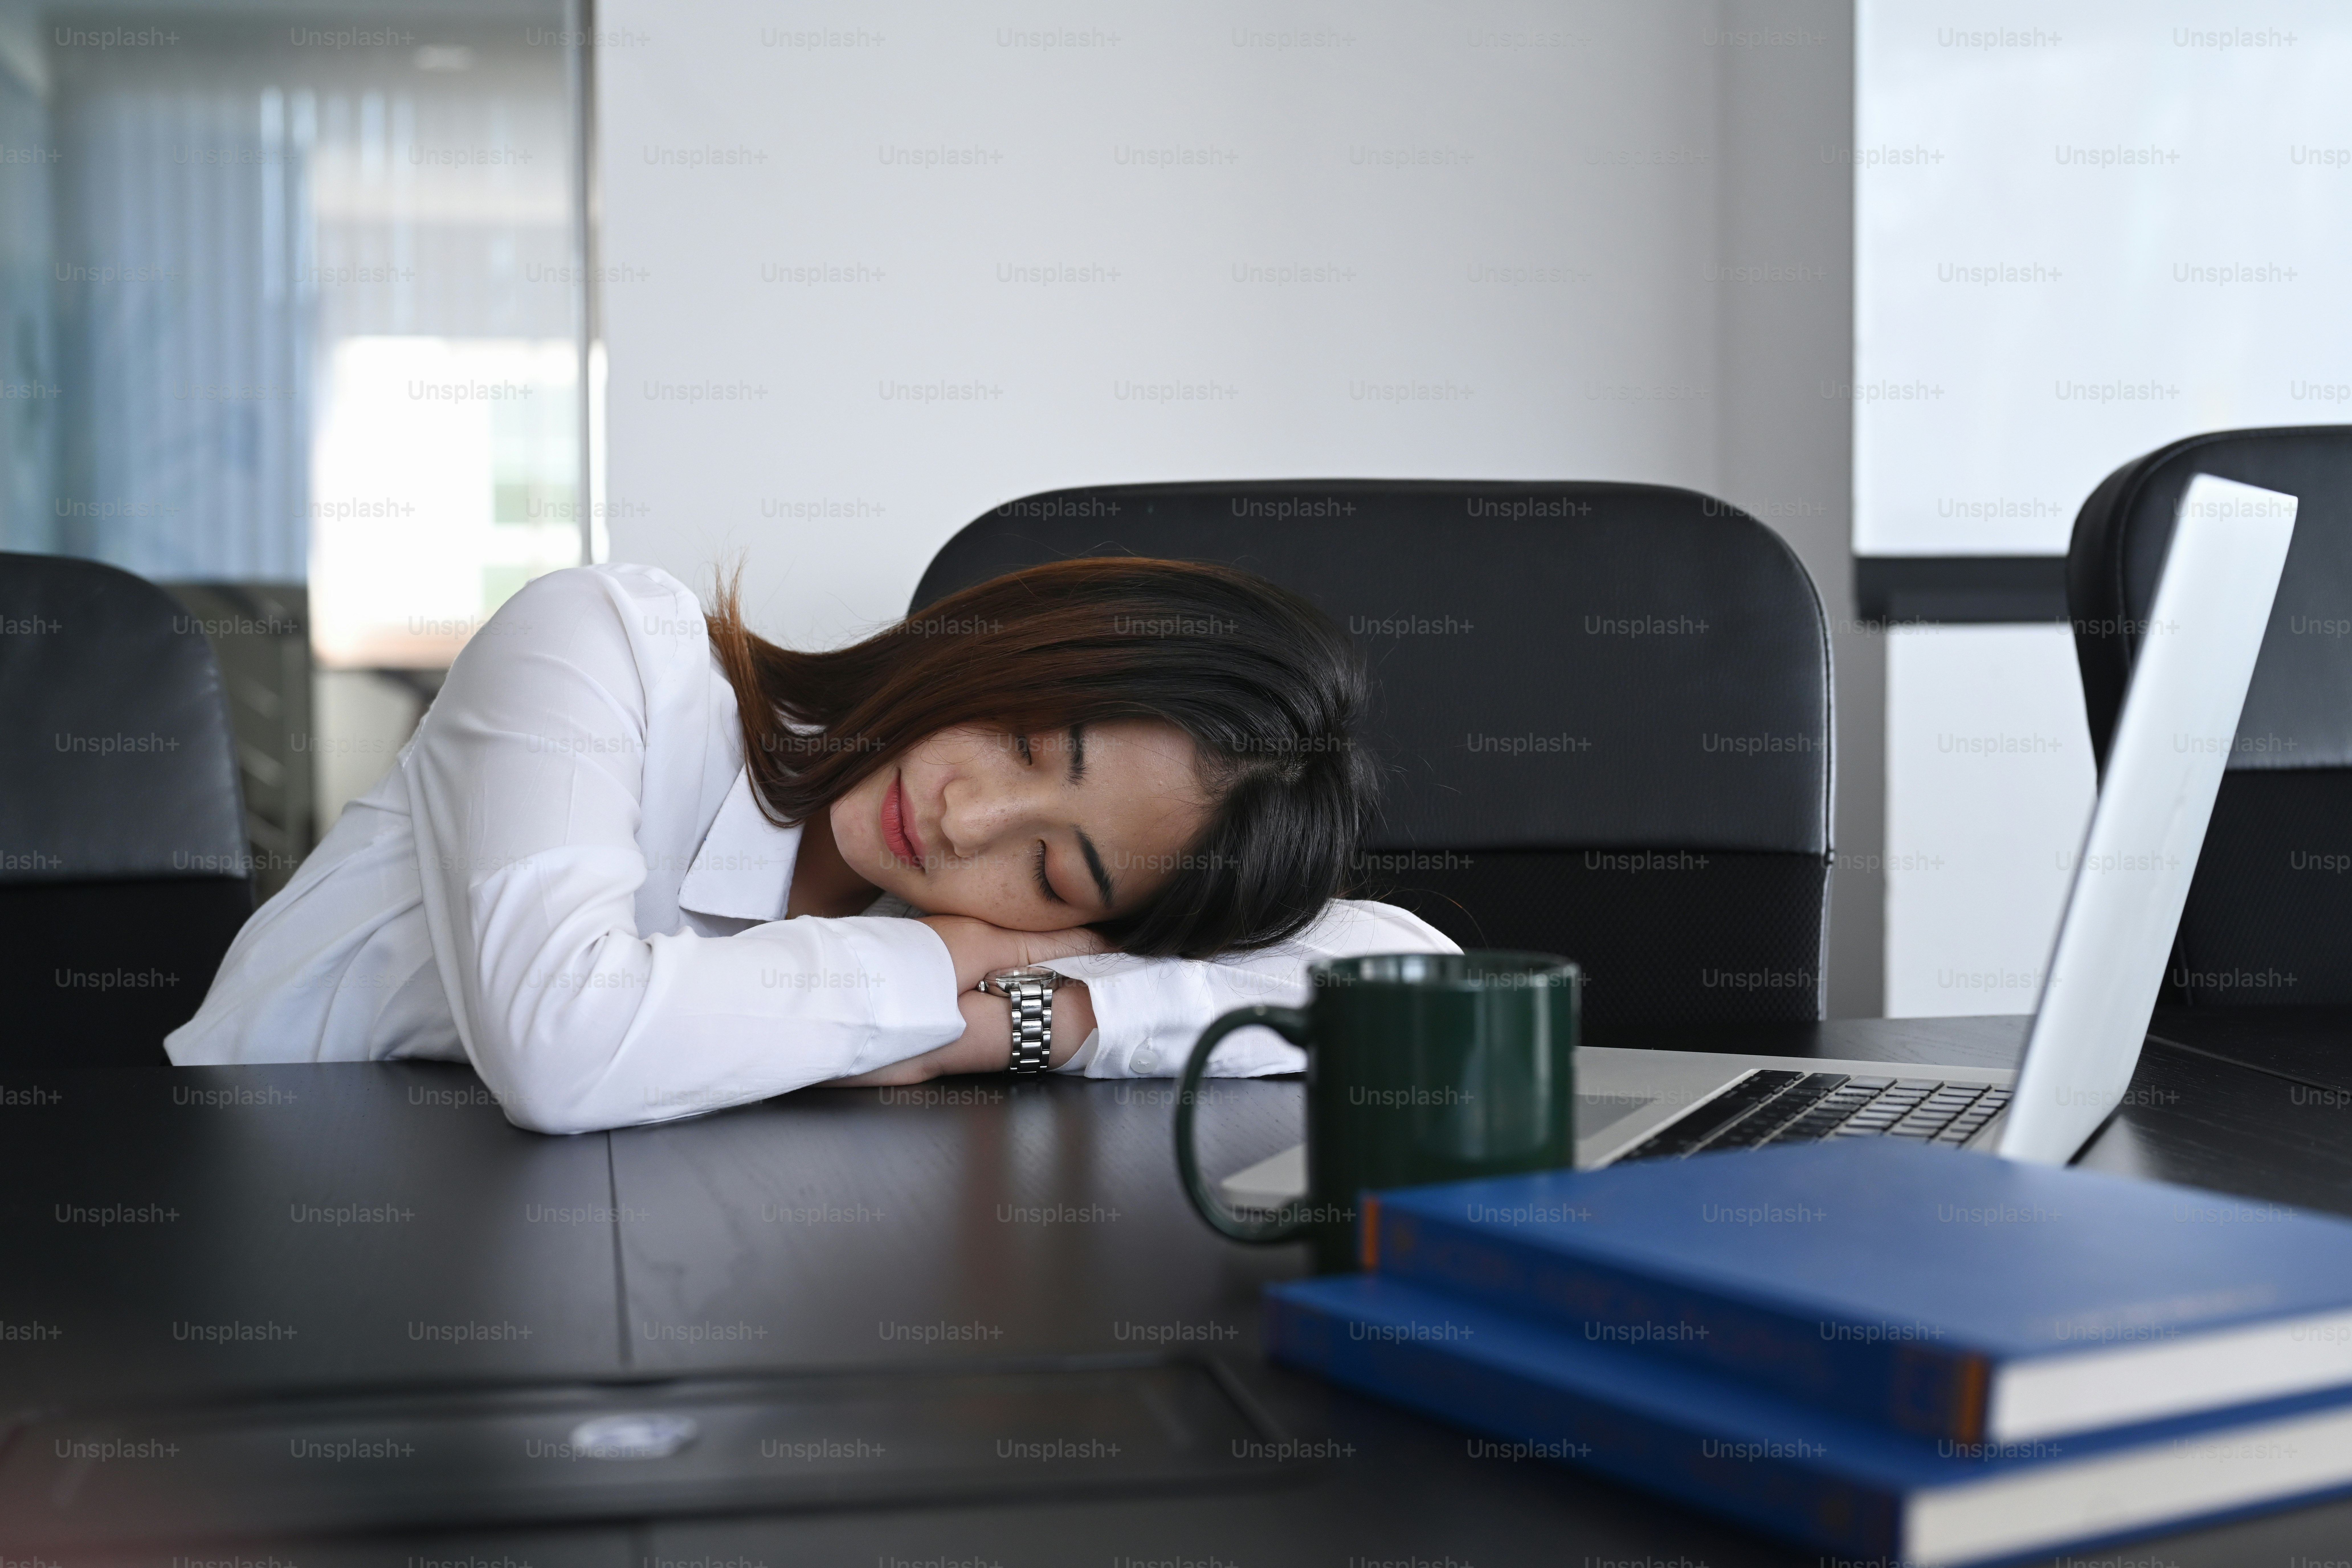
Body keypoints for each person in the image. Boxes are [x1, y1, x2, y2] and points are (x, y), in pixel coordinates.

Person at [166, 557, 1455, 1134]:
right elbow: (565, 1045)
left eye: (1055, 872)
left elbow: (1422, 987)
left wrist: (1030, 1013)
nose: (966, 821)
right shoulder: (603, 647)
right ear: (1014, 637)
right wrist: (958, 948)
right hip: (220, 1208)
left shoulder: (968, 949)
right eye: (1021, 738)